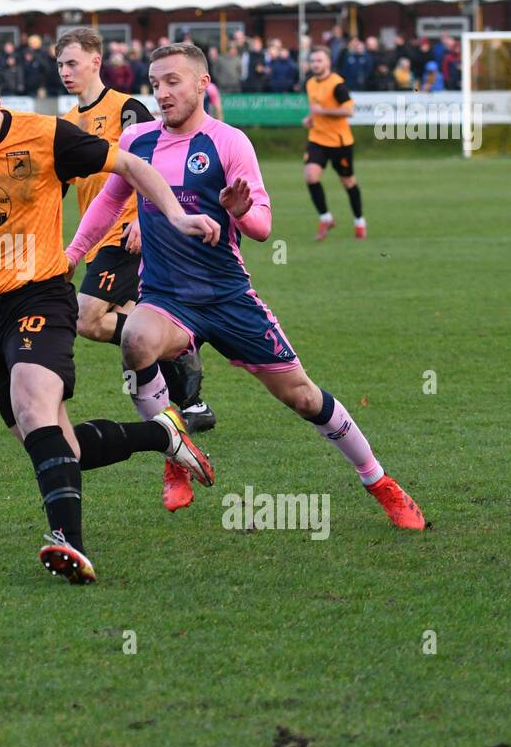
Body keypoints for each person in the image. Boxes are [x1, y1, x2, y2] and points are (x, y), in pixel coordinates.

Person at [66, 43, 425, 529]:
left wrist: (238, 211)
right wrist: (69, 257)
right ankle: (176, 455)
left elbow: (262, 226)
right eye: (154, 83)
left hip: (228, 297)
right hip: (168, 299)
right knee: (135, 340)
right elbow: (108, 204)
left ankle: (379, 481)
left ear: (201, 83)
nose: (162, 93)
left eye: (173, 81)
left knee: (302, 397)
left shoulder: (229, 142)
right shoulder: (137, 142)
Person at [0, 50, 217, 584]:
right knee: (57, 447)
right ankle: (163, 434)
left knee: (31, 403)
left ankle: (68, 542)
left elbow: (132, 164)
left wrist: (177, 214)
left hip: (41, 296)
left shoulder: (47, 137)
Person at [58, 29, 214, 434]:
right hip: (97, 237)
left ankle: (178, 353)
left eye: (72, 63)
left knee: (88, 318)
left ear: (96, 62)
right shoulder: (68, 122)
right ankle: (189, 391)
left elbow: (152, 162)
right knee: (134, 322)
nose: (64, 71)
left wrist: (140, 221)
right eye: (59, 65)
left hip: (126, 233)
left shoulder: (125, 109)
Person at [302, 47, 365, 241]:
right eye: (313, 61)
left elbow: (349, 111)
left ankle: (359, 222)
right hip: (317, 139)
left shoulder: (338, 85)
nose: (315, 64)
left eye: (319, 60)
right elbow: (316, 109)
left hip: (339, 143)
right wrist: (311, 118)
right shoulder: (310, 83)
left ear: (328, 63)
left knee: (348, 182)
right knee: (311, 176)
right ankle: (326, 218)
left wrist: (324, 111)